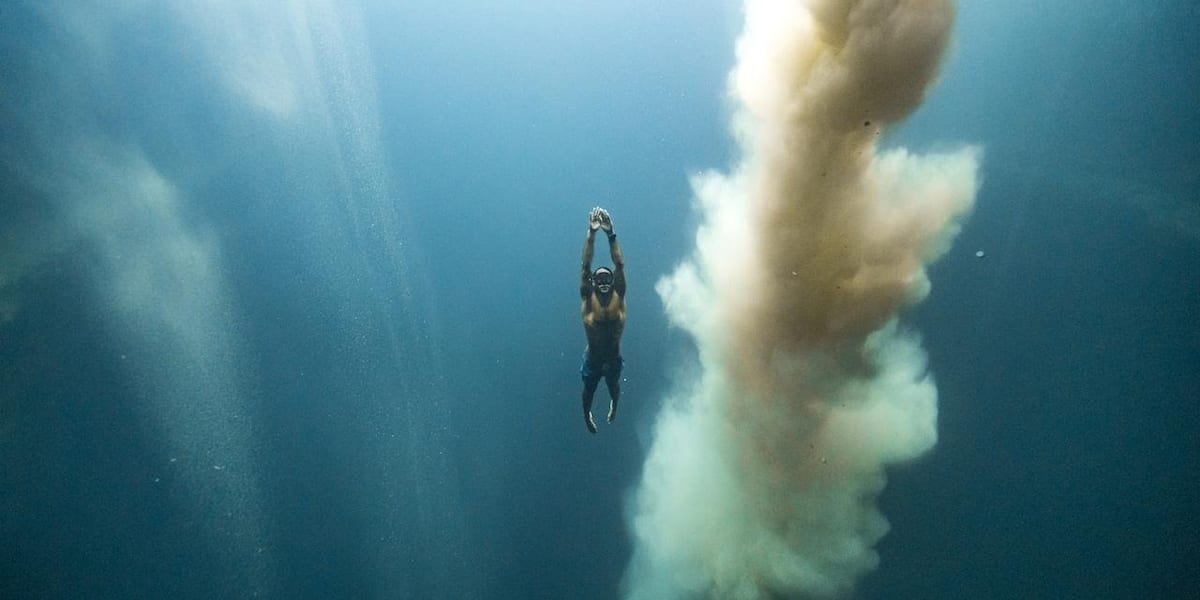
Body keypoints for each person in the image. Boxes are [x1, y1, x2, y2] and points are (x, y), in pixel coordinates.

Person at [579, 207, 625, 434]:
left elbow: (619, 265)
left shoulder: (619, 296)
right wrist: (591, 234)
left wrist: (610, 233)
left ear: (613, 281)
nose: (604, 282)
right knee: (588, 390)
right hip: (593, 358)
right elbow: (586, 266)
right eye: (600, 279)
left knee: (613, 385)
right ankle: (587, 415)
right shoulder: (588, 299)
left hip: (613, 357)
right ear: (593, 283)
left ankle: (614, 405)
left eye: (608, 278)